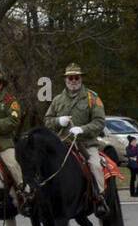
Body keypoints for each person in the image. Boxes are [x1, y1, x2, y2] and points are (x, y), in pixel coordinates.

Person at [44, 64, 109, 216]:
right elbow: (47, 120)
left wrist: (83, 129)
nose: (73, 80)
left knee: (95, 166)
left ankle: (100, 198)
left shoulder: (92, 98)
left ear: (81, 79)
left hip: (85, 144)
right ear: (65, 80)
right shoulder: (58, 99)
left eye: (76, 77)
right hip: (62, 144)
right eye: (70, 78)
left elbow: (100, 122)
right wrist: (58, 121)